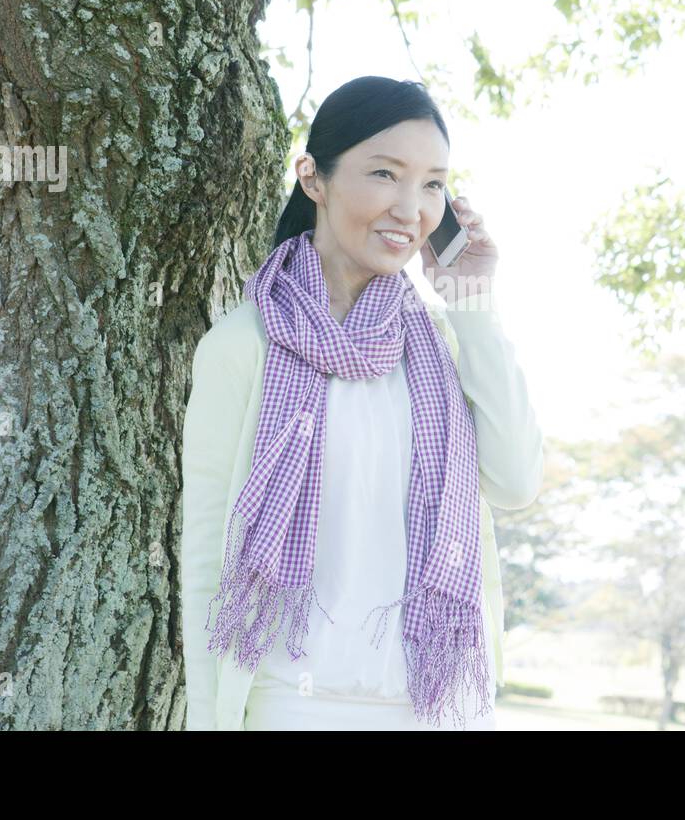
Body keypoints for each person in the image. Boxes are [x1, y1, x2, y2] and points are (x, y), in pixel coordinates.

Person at [180, 76, 544, 730]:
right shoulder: (242, 348)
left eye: (433, 183)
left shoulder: (441, 348)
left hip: (433, 707)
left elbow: (516, 484)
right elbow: (208, 564)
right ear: (314, 178)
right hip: (291, 704)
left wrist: (474, 306)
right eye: (385, 173)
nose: (412, 208)